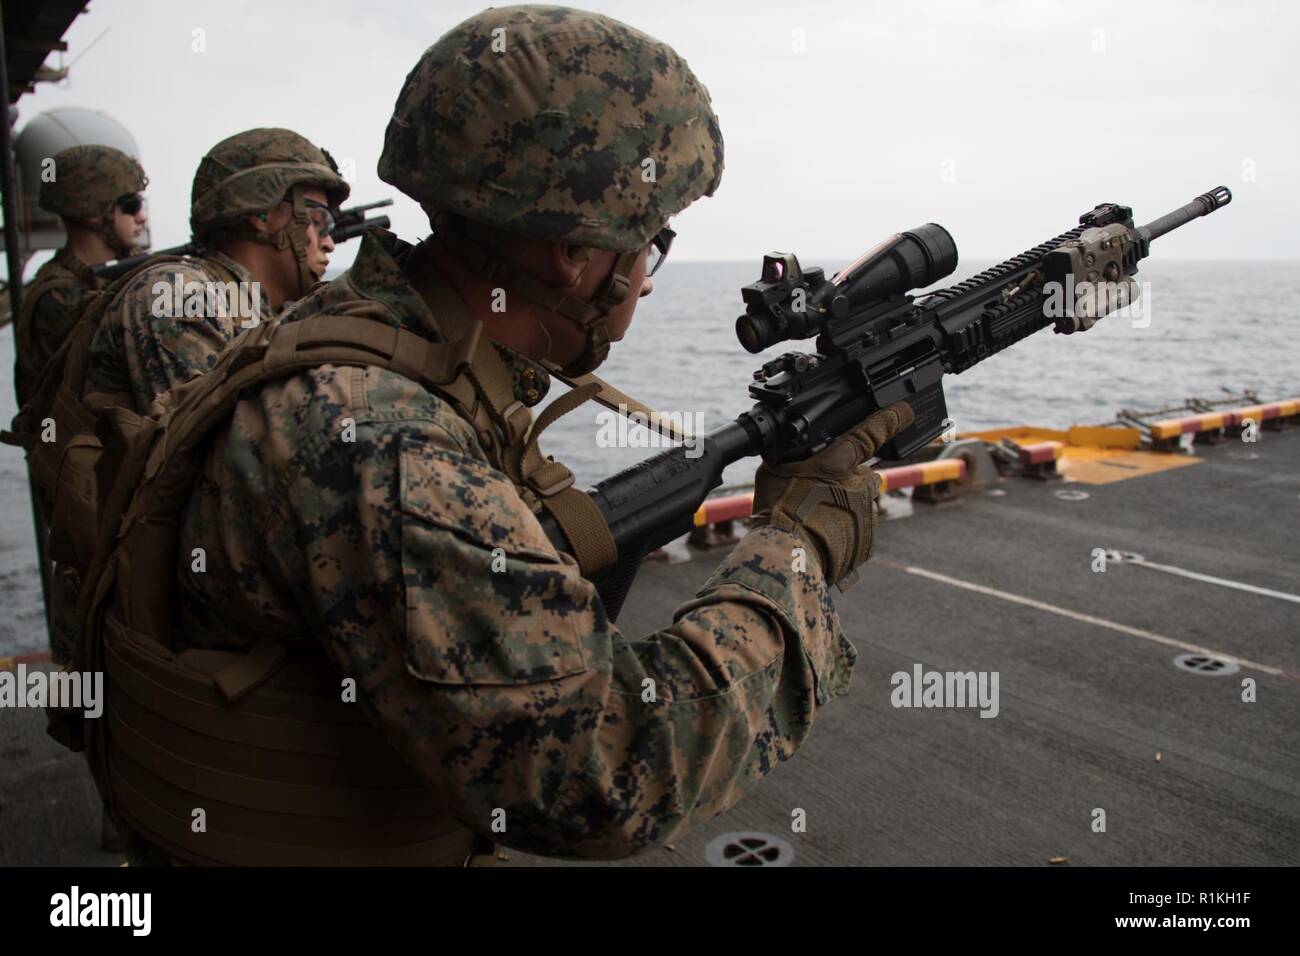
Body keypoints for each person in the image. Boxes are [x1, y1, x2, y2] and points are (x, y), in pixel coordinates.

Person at [88, 5, 913, 865]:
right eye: (651, 242)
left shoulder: (354, 337)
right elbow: (604, 774)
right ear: (575, 254)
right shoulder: (379, 438)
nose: (649, 279)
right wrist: (800, 547)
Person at [83, 127, 348, 412]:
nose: (329, 243)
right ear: (264, 215)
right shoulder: (177, 294)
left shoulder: (250, 304)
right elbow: (224, 439)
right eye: (319, 221)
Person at [12, 145, 147, 405]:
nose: (141, 217)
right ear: (95, 216)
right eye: (131, 205)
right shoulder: (58, 296)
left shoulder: (108, 274)